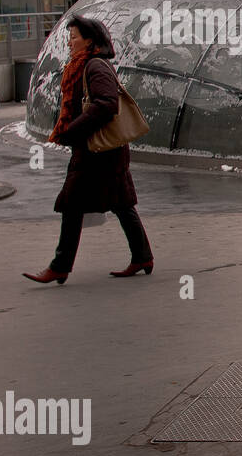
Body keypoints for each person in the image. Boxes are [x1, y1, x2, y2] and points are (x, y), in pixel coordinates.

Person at [23, 16, 154, 285]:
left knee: (72, 203)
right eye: (69, 38)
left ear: (90, 40)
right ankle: (142, 257)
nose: (69, 43)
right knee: (120, 203)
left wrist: (72, 130)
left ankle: (60, 266)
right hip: (102, 150)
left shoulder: (95, 66)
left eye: (74, 38)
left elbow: (106, 104)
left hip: (98, 150)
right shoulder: (85, 65)